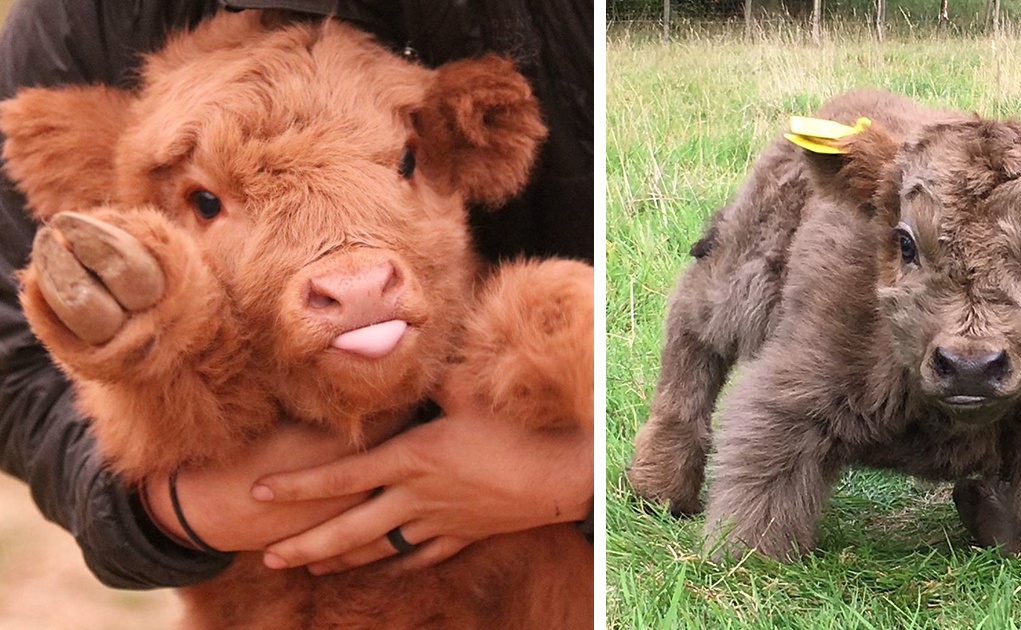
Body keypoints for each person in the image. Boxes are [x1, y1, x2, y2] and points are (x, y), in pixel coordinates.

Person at [0, 0, 593, 589]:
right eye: (207, 203)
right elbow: (15, 366)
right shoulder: (71, 24)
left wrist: (586, 480)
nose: (353, 281)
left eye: (403, 161)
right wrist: (168, 511)